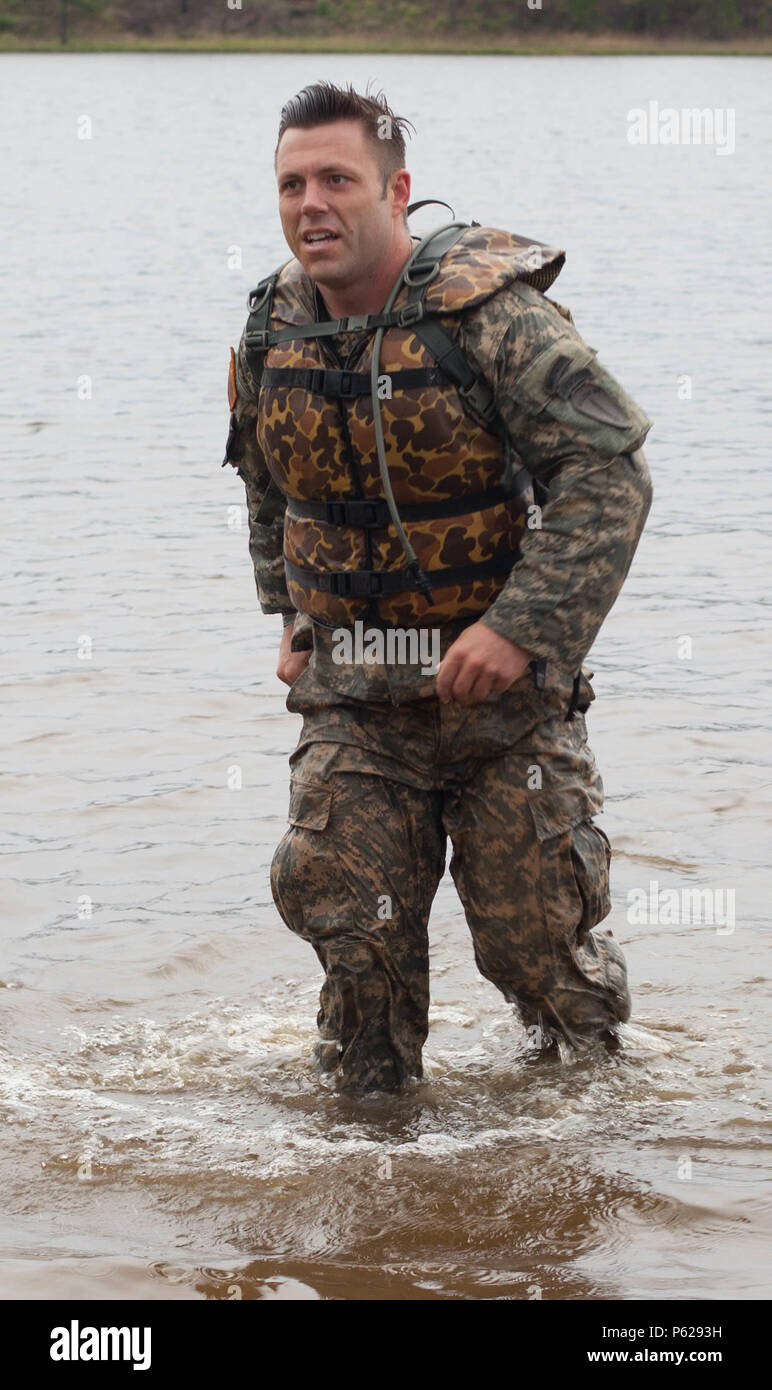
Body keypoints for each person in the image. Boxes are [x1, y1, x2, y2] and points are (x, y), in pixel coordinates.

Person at [223, 81, 653, 1092]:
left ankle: (595, 1139)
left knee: (540, 953)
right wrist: (287, 609)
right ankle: (371, 1180)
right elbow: (263, 479)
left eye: (337, 179)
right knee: (354, 956)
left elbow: (609, 472)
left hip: (500, 703)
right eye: (291, 183)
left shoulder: (490, 316)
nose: (311, 203)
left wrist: (520, 629)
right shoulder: (269, 326)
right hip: (357, 698)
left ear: (395, 188)